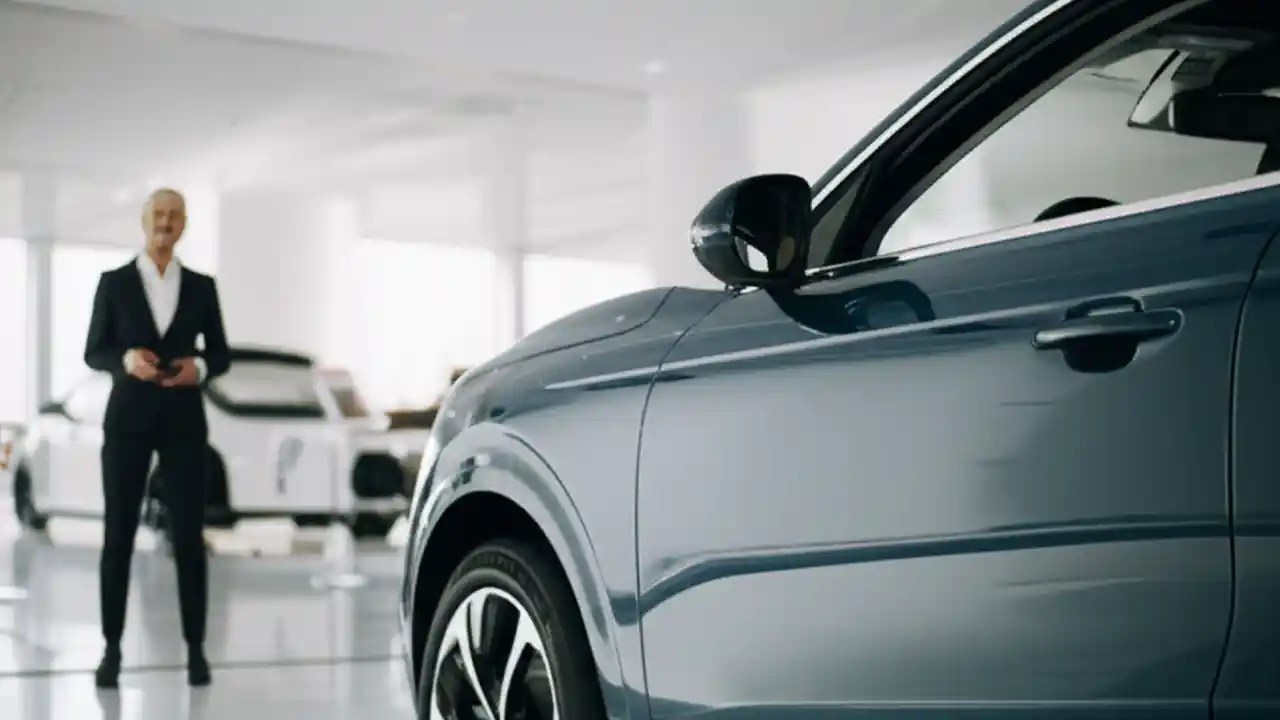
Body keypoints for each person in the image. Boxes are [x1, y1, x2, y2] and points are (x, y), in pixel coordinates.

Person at [83, 188, 230, 688]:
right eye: (157, 215)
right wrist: (124, 360)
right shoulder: (115, 283)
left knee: (189, 539)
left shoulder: (203, 287)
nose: (165, 223)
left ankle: (196, 651)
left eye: (173, 216)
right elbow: (93, 351)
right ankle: (111, 652)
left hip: (185, 422)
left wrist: (201, 367)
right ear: (145, 222)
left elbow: (223, 354)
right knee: (118, 536)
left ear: (184, 225)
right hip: (126, 422)